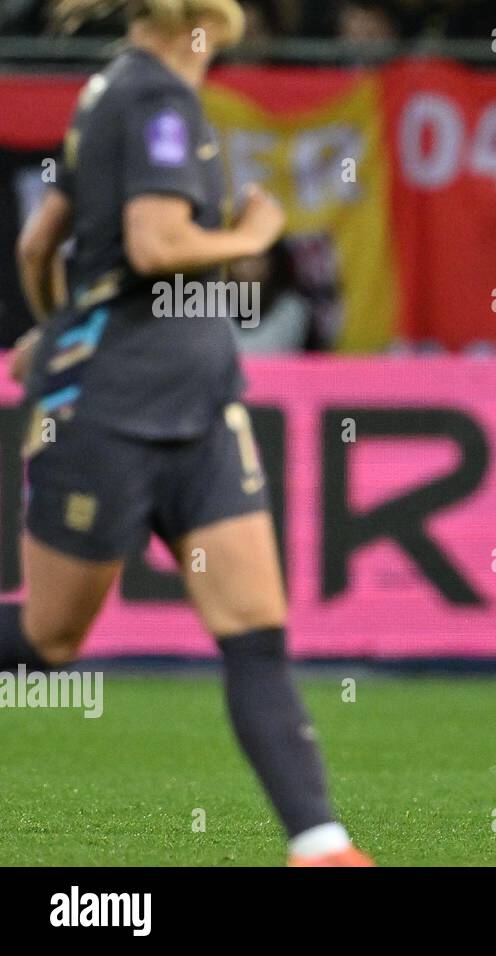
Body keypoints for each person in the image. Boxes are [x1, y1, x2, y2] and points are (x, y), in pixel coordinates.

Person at [6, 0, 371, 866]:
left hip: (200, 405)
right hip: (116, 413)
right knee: (47, 644)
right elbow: (157, 241)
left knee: (254, 628)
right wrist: (253, 232)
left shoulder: (107, 96)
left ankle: (321, 846)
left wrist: (59, 332)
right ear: (201, 18)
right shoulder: (158, 103)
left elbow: (37, 244)